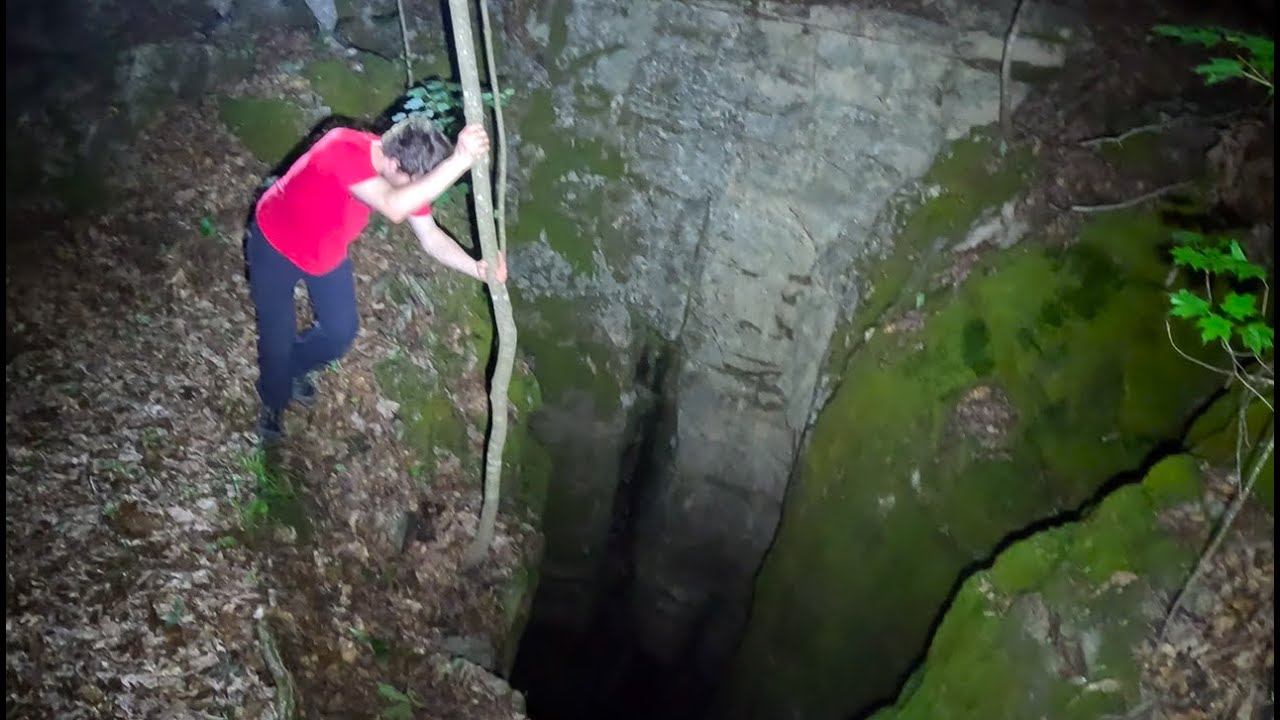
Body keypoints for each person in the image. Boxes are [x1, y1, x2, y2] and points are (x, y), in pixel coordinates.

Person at [245, 116, 506, 443]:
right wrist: (460, 160)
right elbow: (394, 206)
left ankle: (291, 369)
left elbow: (431, 238)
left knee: (340, 332)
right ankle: (273, 398)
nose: (415, 193)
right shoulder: (341, 148)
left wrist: (476, 268)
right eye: (412, 183)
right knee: (277, 339)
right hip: (274, 245)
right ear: (393, 163)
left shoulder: (401, 169)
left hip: (325, 253)